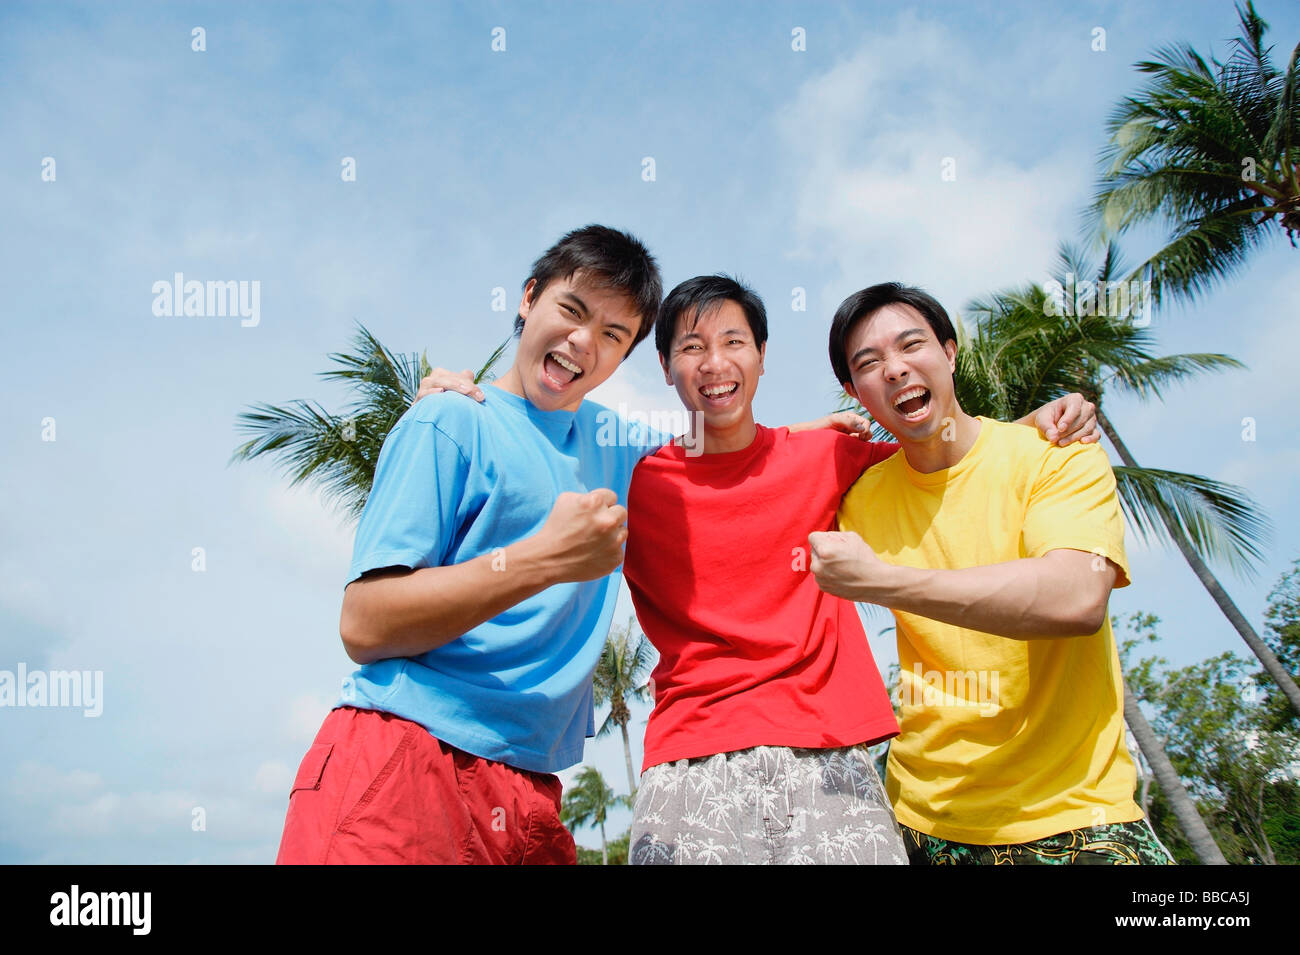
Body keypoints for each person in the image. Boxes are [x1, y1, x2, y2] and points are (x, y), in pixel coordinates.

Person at [621, 275, 1100, 866]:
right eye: (691, 347)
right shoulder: (634, 480)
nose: (715, 362)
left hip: (832, 755)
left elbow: (941, 456)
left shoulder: (830, 457)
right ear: (666, 367)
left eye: (734, 342)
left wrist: (1037, 422)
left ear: (763, 357)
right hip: (691, 759)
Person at [275, 224, 668, 864]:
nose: (582, 342)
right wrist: (542, 560)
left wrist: (833, 429)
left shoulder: (620, 445)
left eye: (612, 335)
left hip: (531, 792)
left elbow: (736, 451)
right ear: (528, 297)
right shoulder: (450, 418)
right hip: (403, 758)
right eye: (572, 310)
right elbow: (364, 623)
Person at [811, 282, 1175, 865]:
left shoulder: (1057, 453)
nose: (897, 370)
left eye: (912, 346)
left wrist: (882, 580)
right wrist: (807, 436)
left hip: (1078, 815)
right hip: (922, 823)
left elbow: (1077, 599)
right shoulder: (857, 496)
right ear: (855, 393)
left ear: (950, 353)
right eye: (870, 364)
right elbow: (744, 486)